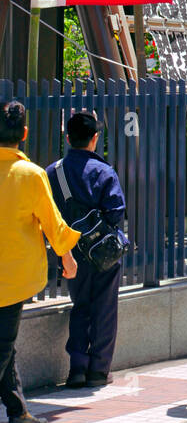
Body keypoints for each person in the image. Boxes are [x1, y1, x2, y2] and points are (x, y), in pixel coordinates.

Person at [0, 101, 80, 423]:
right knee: (3, 346)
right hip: (12, 278)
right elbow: (52, 222)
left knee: (6, 347)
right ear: (25, 134)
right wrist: (67, 256)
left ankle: (19, 415)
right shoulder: (30, 174)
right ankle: (19, 417)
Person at [47, 110, 127, 388]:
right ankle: (99, 370)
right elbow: (117, 211)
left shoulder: (53, 173)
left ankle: (77, 369)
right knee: (105, 307)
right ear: (95, 139)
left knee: (80, 305)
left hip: (70, 252)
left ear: (67, 137)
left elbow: (49, 214)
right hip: (104, 253)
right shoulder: (104, 171)